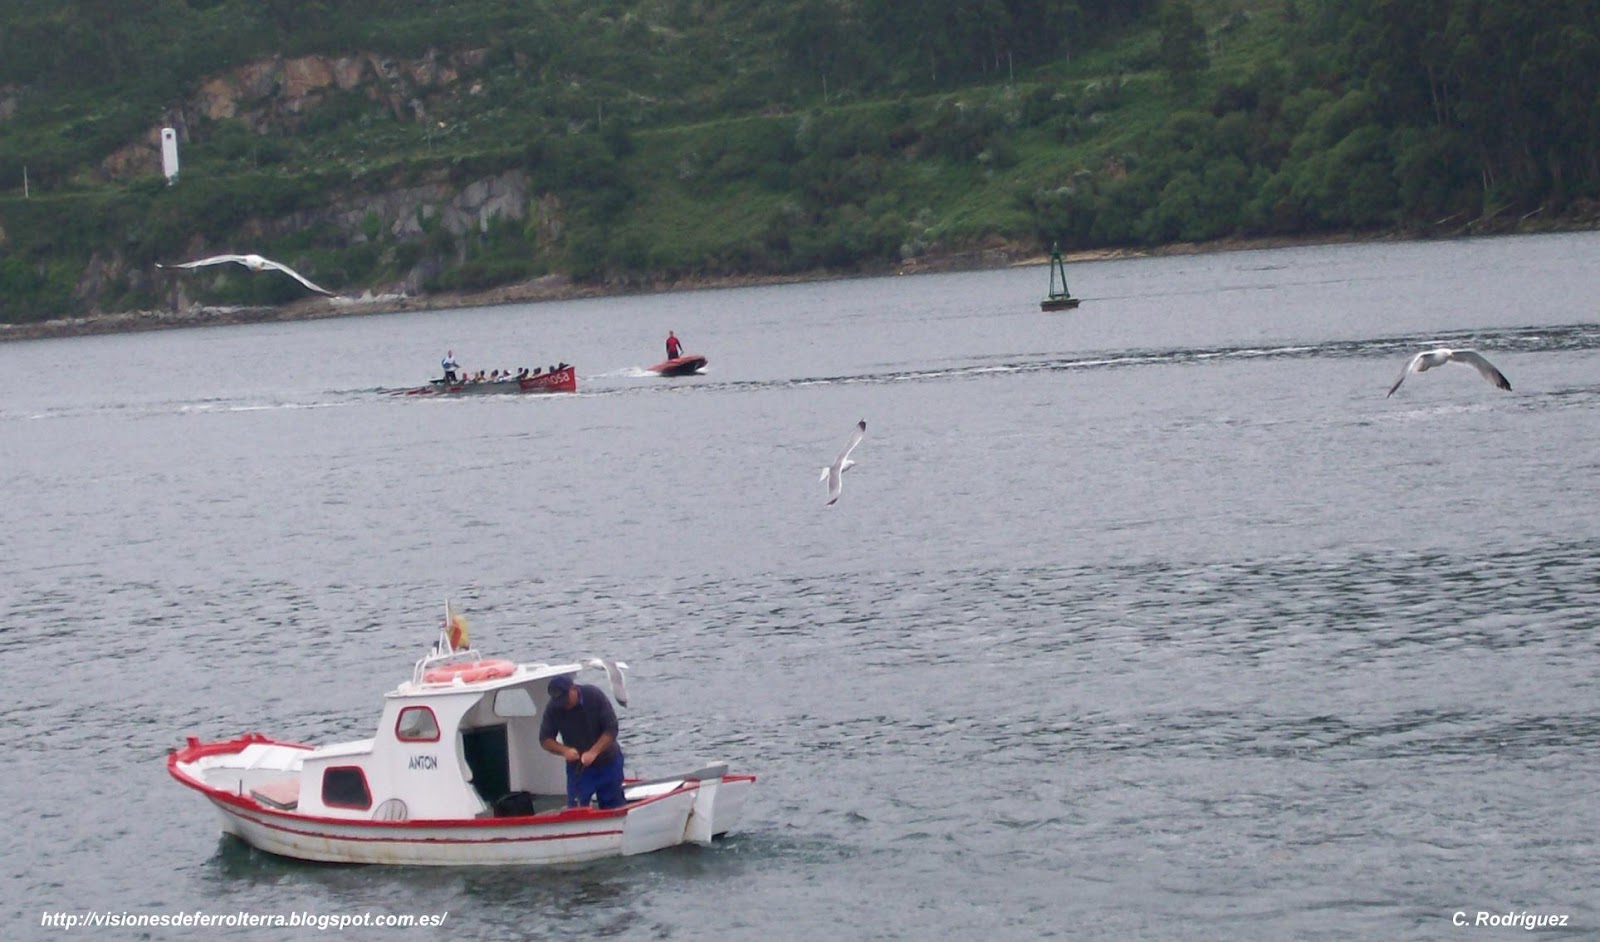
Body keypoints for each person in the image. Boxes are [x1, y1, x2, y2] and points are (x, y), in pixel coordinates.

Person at [540, 675, 626, 810]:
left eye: (566, 700)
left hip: (608, 761)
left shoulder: (594, 696)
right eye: (559, 702)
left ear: (574, 689)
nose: (564, 705)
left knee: (613, 804)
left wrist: (594, 752)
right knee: (576, 807)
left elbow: (611, 729)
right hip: (578, 768)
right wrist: (564, 750)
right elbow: (545, 739)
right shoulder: (554, 708)